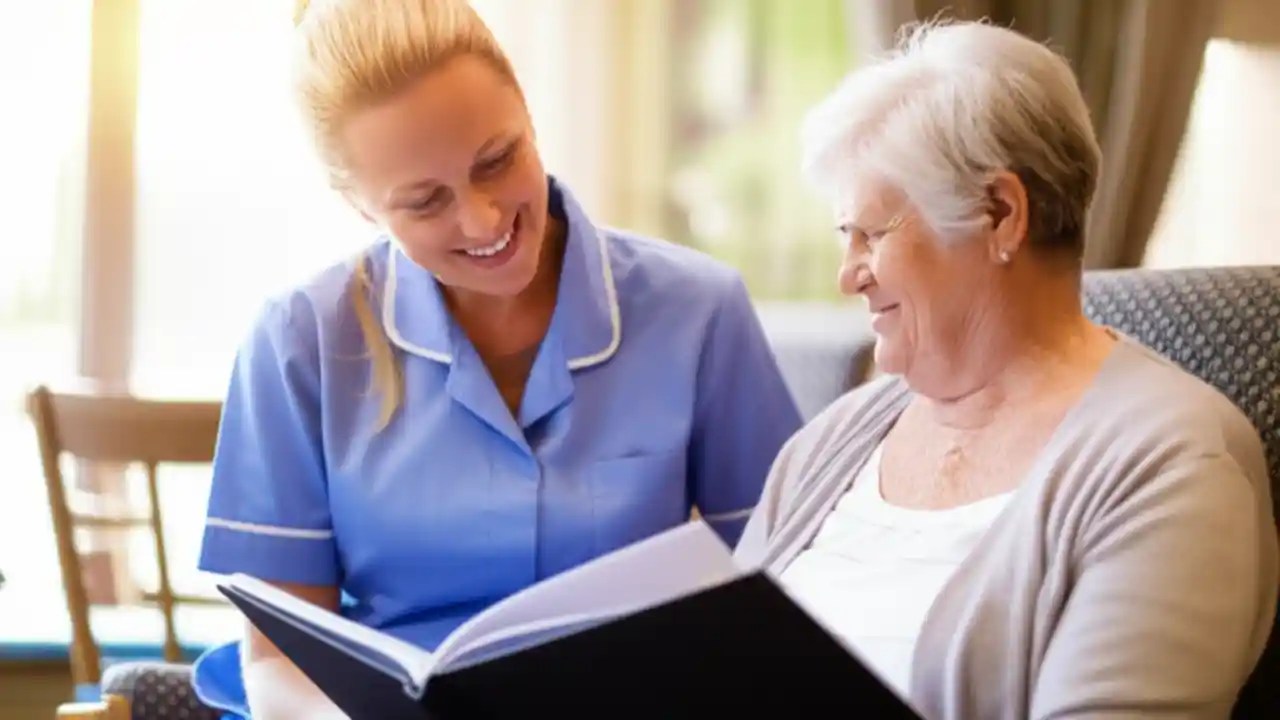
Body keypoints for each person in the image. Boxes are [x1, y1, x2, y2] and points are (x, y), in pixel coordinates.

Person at [191, 1, 802, 717]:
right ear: (358, 205)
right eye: (424, 202)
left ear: (530, 118)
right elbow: (277, 658)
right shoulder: (295, 342)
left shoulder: (699, 311)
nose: (482, 220)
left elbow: (794, 586)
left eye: (498, 159)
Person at [734, 19, 1278, 720]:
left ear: (998, 214)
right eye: (848, 238)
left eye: (872, 234)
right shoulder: (830, 445)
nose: (849, 276)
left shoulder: (1172, 463)